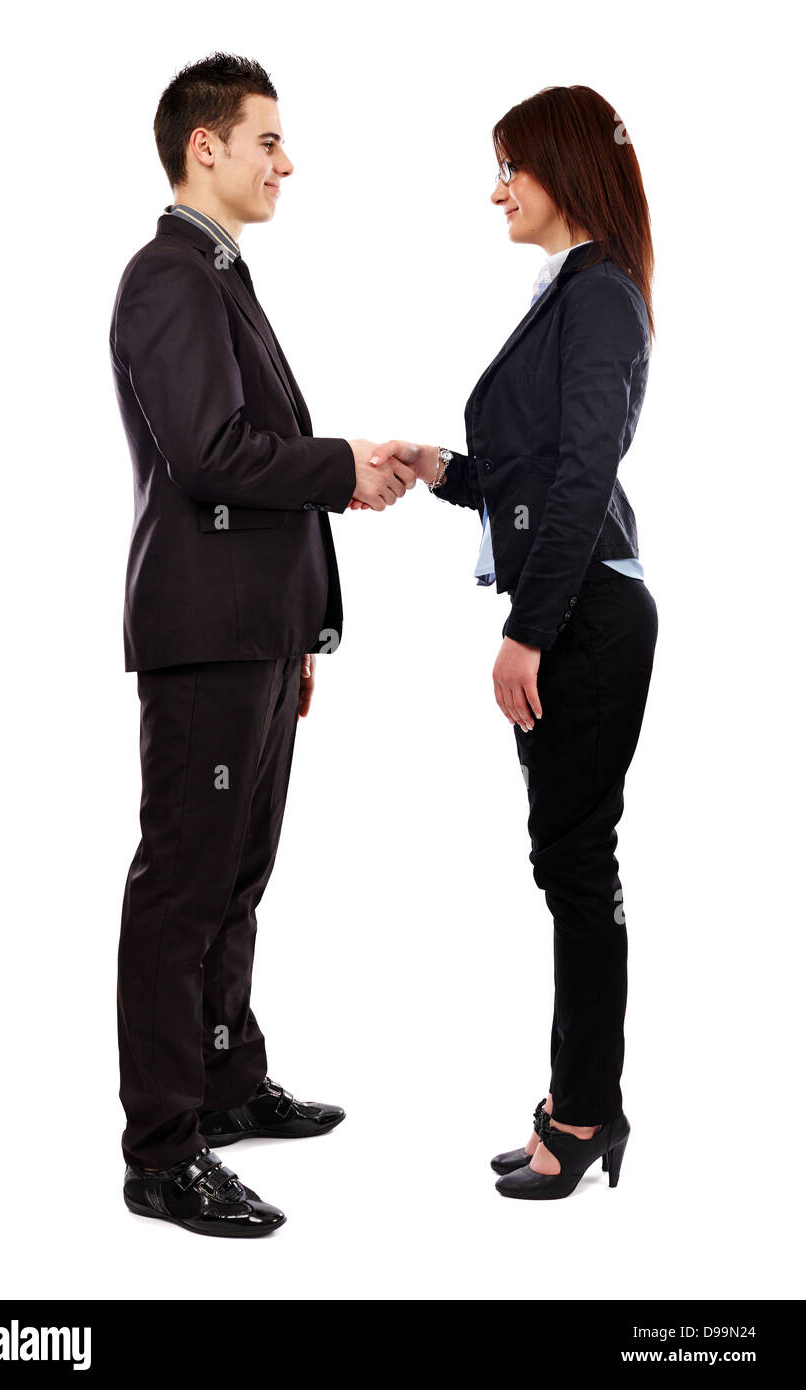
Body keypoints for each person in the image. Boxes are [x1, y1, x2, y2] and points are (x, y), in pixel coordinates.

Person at [109, 52, 415, 1238]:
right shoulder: (169, 278)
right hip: (201, 643)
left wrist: (299, 634)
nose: (285, 162)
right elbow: (212, 456)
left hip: (251, 638)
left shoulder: (219, 276)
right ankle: (162, 1151)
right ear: (206, 148)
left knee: (236, 877)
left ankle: (226, 1084)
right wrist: (344, 465)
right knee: (182, 888)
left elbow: (245, 464)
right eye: (267, 140)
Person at [368, 85, 658, 1200]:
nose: (496, 190)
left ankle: (582, 1113)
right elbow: (533, 479)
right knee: (568, 865)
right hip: (576, 600)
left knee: (576, 868)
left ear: (560, 168)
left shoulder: (599, 296)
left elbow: (583, 478)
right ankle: (581, 1101)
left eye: (509, 169)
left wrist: (523, 632)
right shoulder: (580, 291)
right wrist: (443, 468)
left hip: (581, 612)